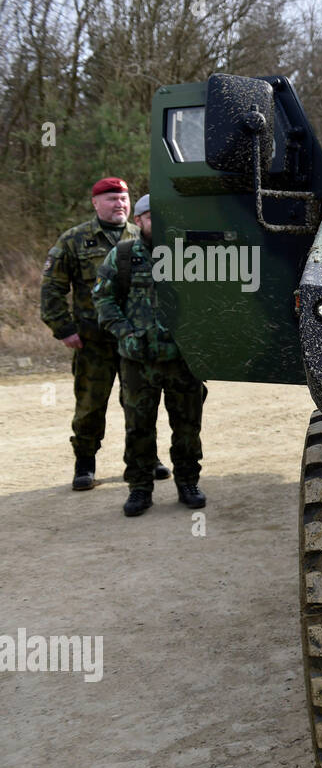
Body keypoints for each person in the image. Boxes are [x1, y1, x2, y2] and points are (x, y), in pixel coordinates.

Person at [39, 177, 168, 490]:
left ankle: (145, 459)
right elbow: (52, 288)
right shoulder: (75, 239)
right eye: (111, 199)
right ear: (95, 203)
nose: (119, 204)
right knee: (90, 406)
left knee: (140, 403)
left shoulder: (143, 236)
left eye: (123, 199)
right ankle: (85, 463)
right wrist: (64, 328)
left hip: (135, 341)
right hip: (93, 341)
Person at [93, 194, 208, 517]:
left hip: (182, 360)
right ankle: (140, 489)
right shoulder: (124, 256)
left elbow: (210, 303)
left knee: (187, 427)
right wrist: (125, 333)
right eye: (153, 217)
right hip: (137, 361)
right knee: (138, 427)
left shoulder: (190, 256)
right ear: (140, 220)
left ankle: (188, 483)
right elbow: (103, 299)